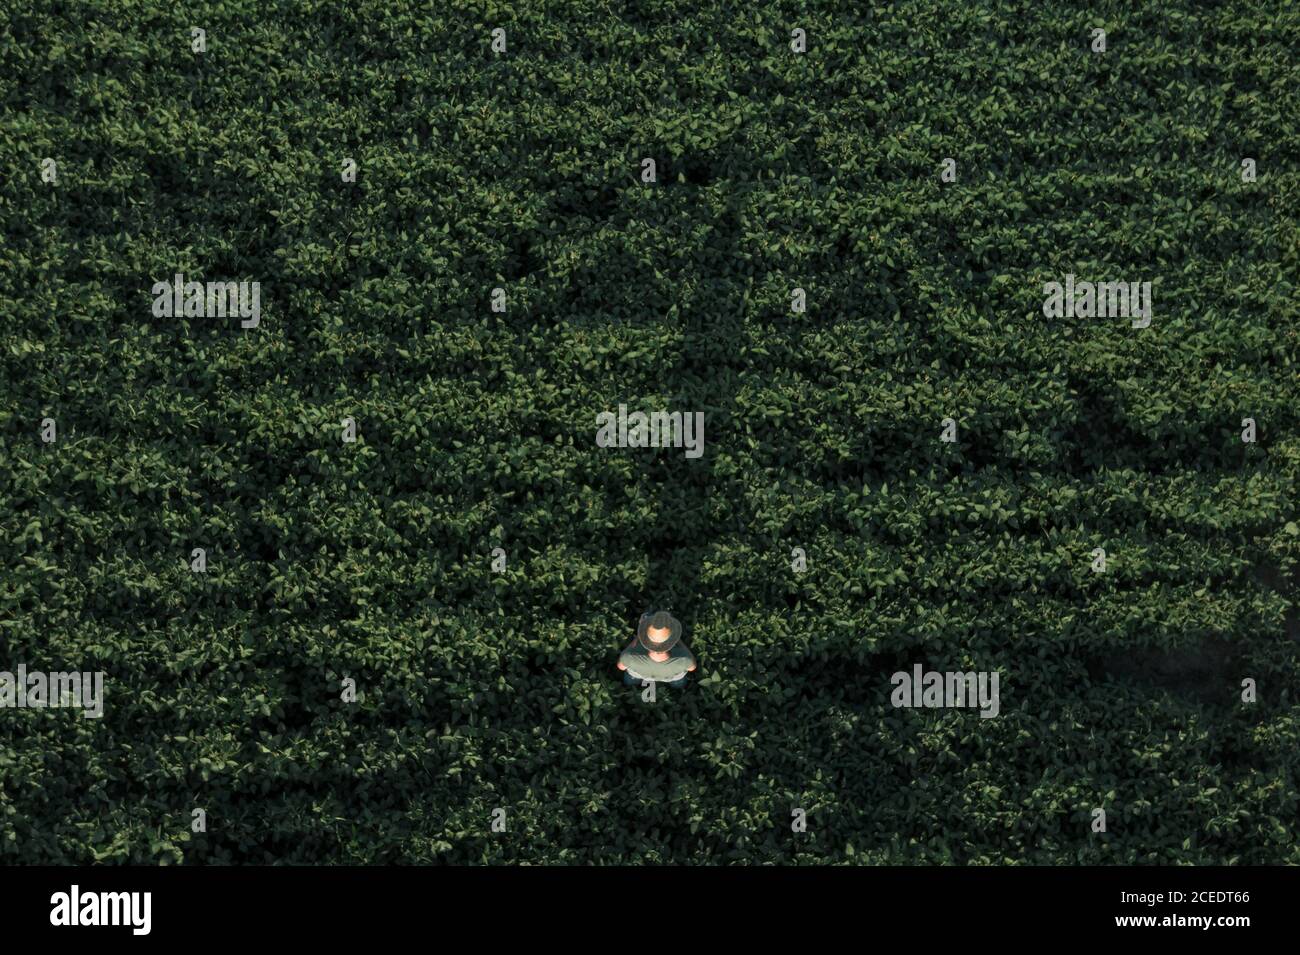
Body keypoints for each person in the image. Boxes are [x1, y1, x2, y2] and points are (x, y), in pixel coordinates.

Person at [617, 609, 696, 689]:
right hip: (671, 677)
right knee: (678, 681)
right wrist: (678, 639)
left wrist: (639, 636)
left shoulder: (630, 656)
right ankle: (678, 688)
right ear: (672, 640)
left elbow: (621, 667)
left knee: (631, 677)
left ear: (645, 638)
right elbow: (692, 668)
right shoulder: (684, 658)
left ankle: (631, 686)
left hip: (638, 674)